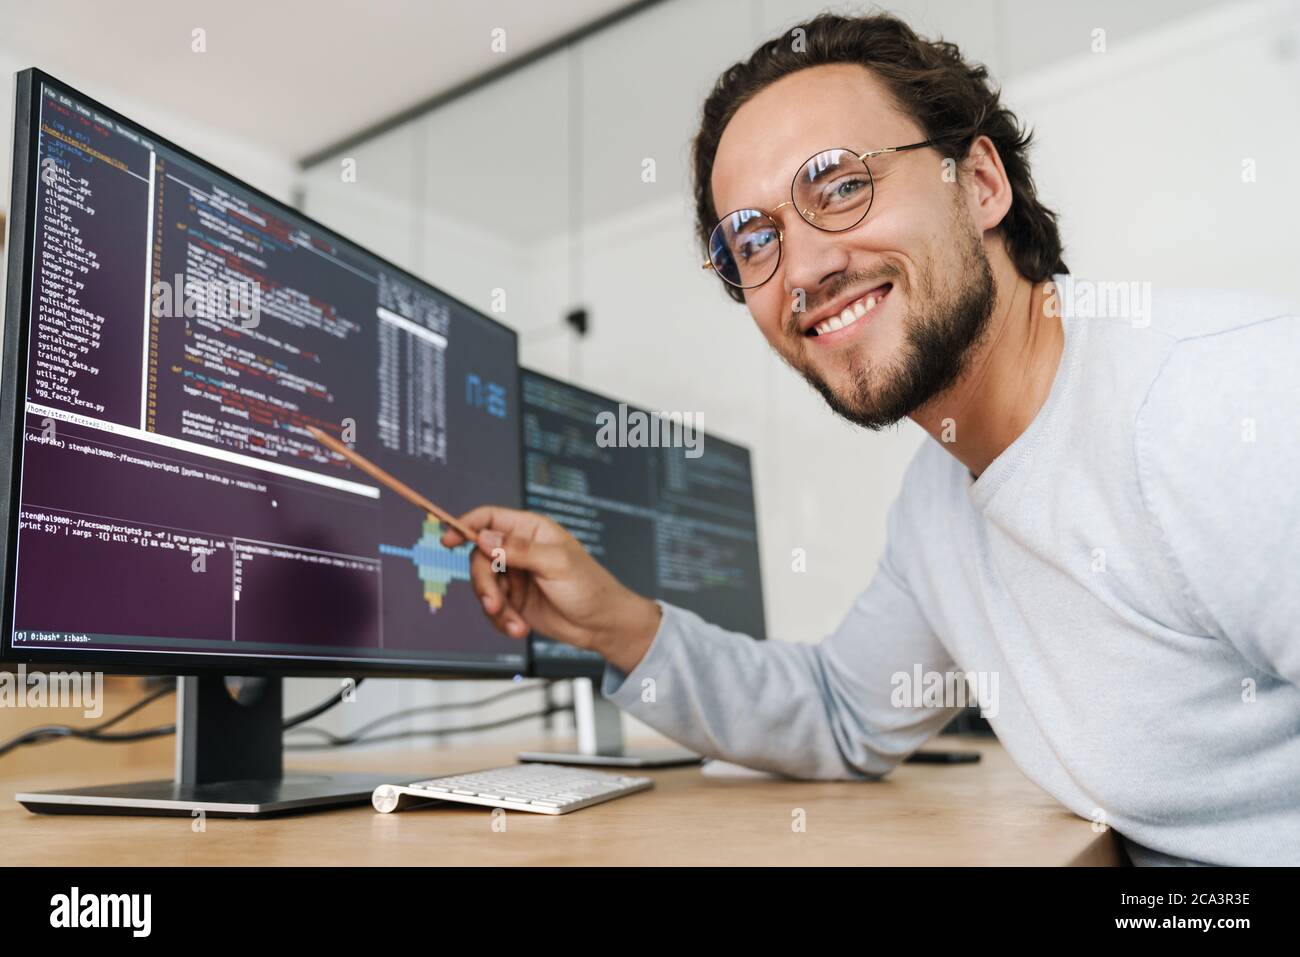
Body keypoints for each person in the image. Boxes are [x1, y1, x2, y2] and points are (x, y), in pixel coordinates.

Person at [441, 12, 1300, 866]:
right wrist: (617, 624)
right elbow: (841, 713)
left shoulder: (1224, 401)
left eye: (840, 184)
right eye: (753, 240)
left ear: (981, 183)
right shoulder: (939, 499)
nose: (806, 269)